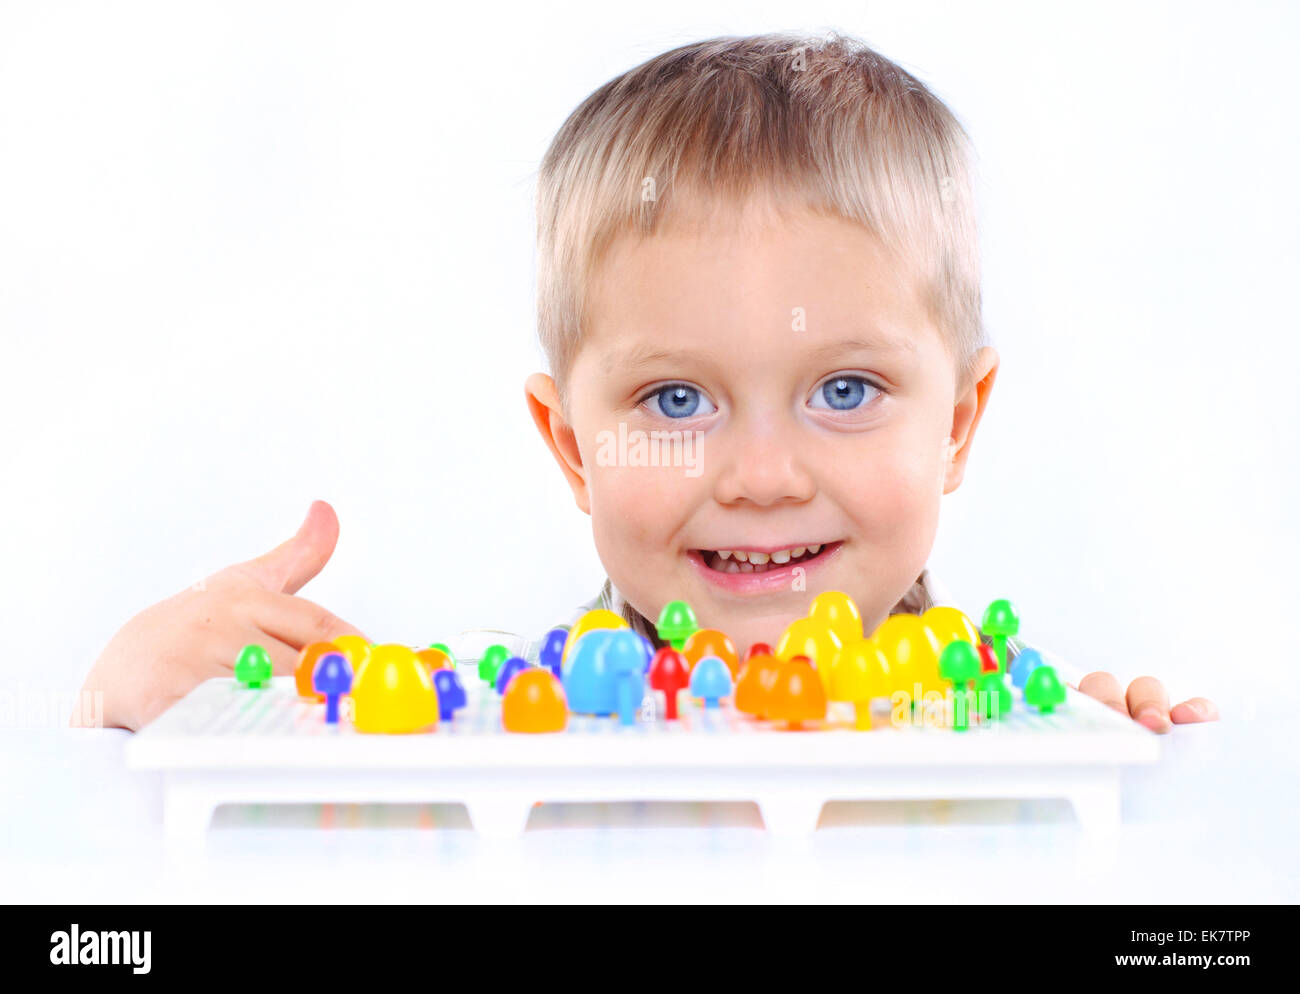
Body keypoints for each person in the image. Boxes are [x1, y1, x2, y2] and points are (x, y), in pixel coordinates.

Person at [76, 32, 1216, 733]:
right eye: (676, 402)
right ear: (572, 445)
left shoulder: (1012, 722)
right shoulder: (518, 723)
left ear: (958, 424)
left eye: (846, 389)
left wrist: (1129, 771)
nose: (762, 478)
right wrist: (122, 700)